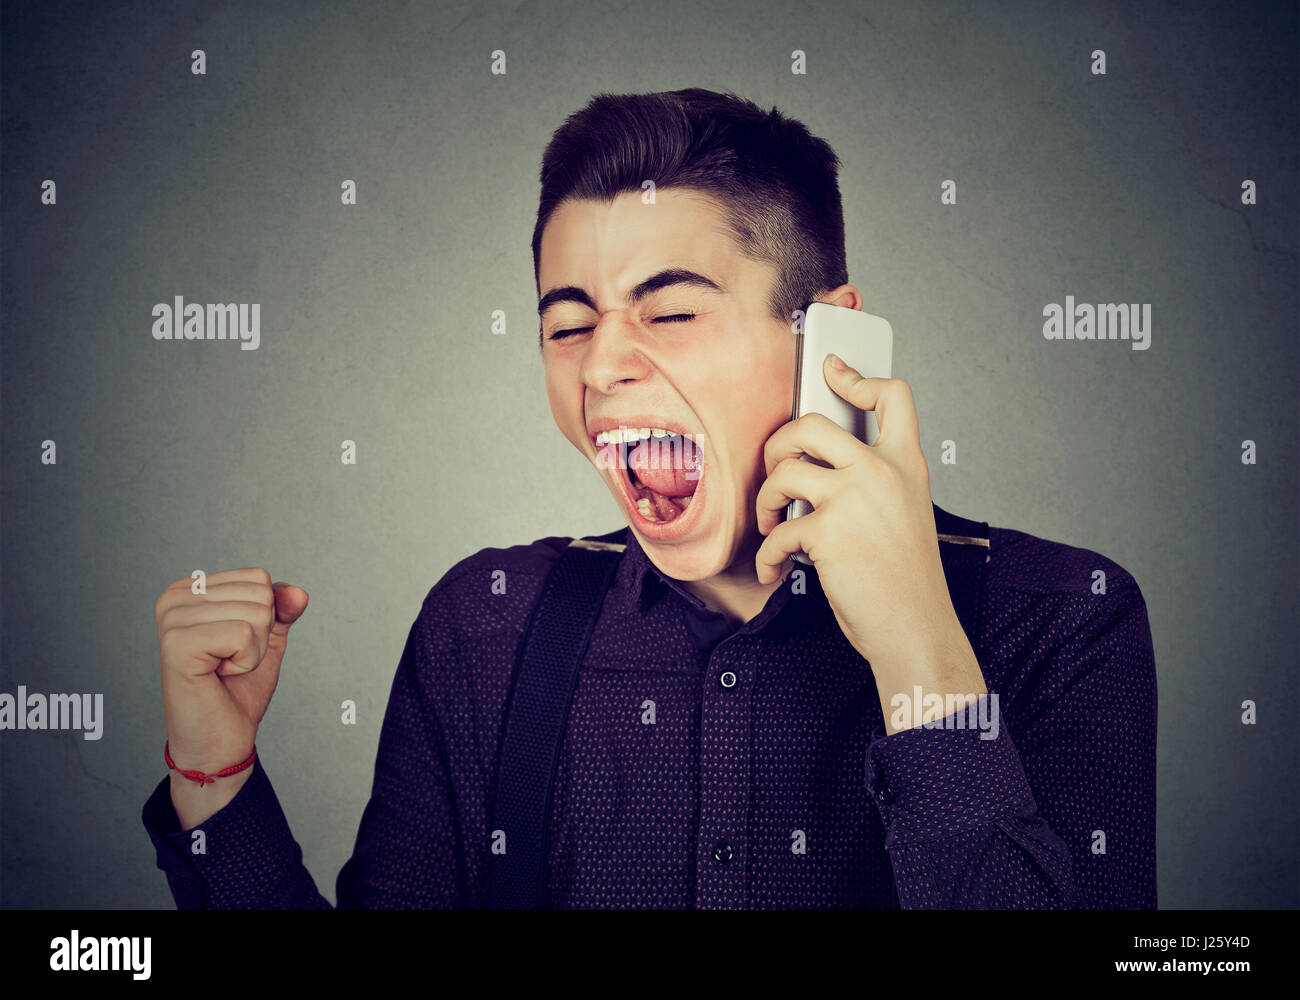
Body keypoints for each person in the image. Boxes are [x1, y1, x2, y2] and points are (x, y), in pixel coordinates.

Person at [144, 88, 1157, 909]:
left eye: (669, 309)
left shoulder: (1062, 618)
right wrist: (215, 778)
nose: (604, 367)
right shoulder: (483, 625)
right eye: (569, 324)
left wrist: (917, 653)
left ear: (828, 339)